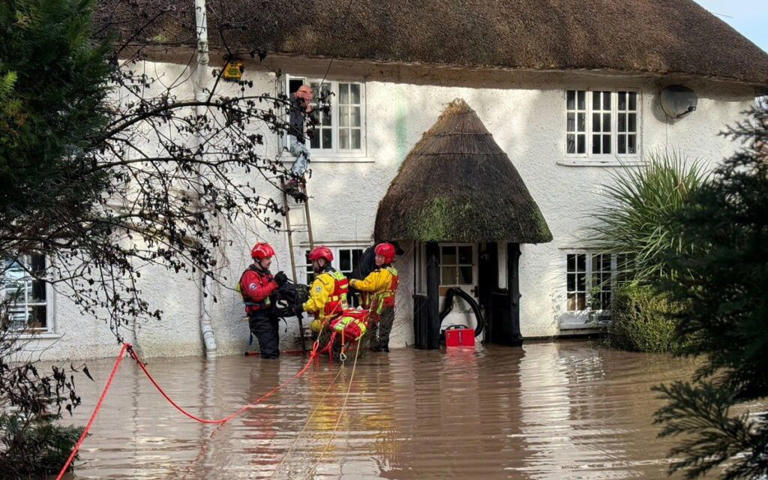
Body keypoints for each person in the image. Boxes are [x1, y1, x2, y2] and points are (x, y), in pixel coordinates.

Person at [238, 242, 288, 358]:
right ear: (257, 259)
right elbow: (257, 295)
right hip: (259, 317)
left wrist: (283, 287)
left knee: (274, 352)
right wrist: (275, 283)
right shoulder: (250, 275)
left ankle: (271, 375)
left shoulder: (266, 273)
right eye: (266, 258)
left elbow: (271, 291)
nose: (270, 261)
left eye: (270, 258)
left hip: (270, 315)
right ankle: (266, 375)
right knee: (269, 353)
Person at [350, 242, 399, 352]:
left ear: (387, 258)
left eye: (380, 257)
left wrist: (352, 282)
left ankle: (381, 356)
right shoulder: (391, 271)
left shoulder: (382, 273)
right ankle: (381, 356)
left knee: (379, 331)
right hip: (386, 305)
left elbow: (368, 285)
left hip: (381, 306)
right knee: (382, 331)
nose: (376, 258)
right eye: (376, 256)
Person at [300, 245, 349, 332]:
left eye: (314, 262)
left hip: (327, 323)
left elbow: (315, 304)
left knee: (312, 325)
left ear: (321, 261)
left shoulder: (321, 280)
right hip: (341, 319)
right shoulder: (338, 275)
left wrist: (301, 307)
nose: (312, 265)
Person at [285, 84, 313, 200]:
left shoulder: (300, 107)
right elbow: (293, 123)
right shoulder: (291, 101)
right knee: (304, 153)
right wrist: (303, 109)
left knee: (306, 154)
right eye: (307, 99)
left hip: (295, 138)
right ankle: (293, 181)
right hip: (288, 137)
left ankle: (296, 179)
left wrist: (306, 112)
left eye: (309, 100)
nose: (308, 101)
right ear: (301, 92)